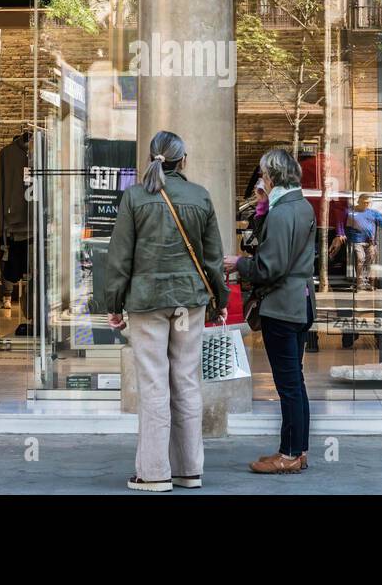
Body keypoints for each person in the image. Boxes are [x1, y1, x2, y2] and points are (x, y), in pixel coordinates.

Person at [106, 131, 227, 492]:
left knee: (154, 384)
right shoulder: (200, 196)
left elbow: (119, 256)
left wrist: (114, 304)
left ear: (151, 158)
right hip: (189, 301)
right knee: (187, 382)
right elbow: (213, 259)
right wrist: (219, 301)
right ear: (182, 160)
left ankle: (154, 472)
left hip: (146, 302)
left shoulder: (134, 196)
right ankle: (189, 469)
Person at [224, 147, 316, 476]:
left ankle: (290, 454)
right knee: (296, 383)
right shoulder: (299, 206)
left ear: (273, 175)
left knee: (288, 384)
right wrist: (263, 206)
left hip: (283, 306)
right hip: (300, 302)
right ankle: (296, 450)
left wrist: (239, 263)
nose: (260, 179)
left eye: (263, 174)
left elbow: (269, 266)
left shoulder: (283, 212)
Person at [332, 193, 382, 292]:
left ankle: (369, 282)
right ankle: (359, 283)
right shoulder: (350, 211)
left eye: (368, 203)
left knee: (371, 262)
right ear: (359, 201)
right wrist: (340, 233)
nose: (366, 204)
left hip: (371, 242)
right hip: (357, 240)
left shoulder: (373, 213)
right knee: (360, 259)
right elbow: (340, 222)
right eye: (364, 202)